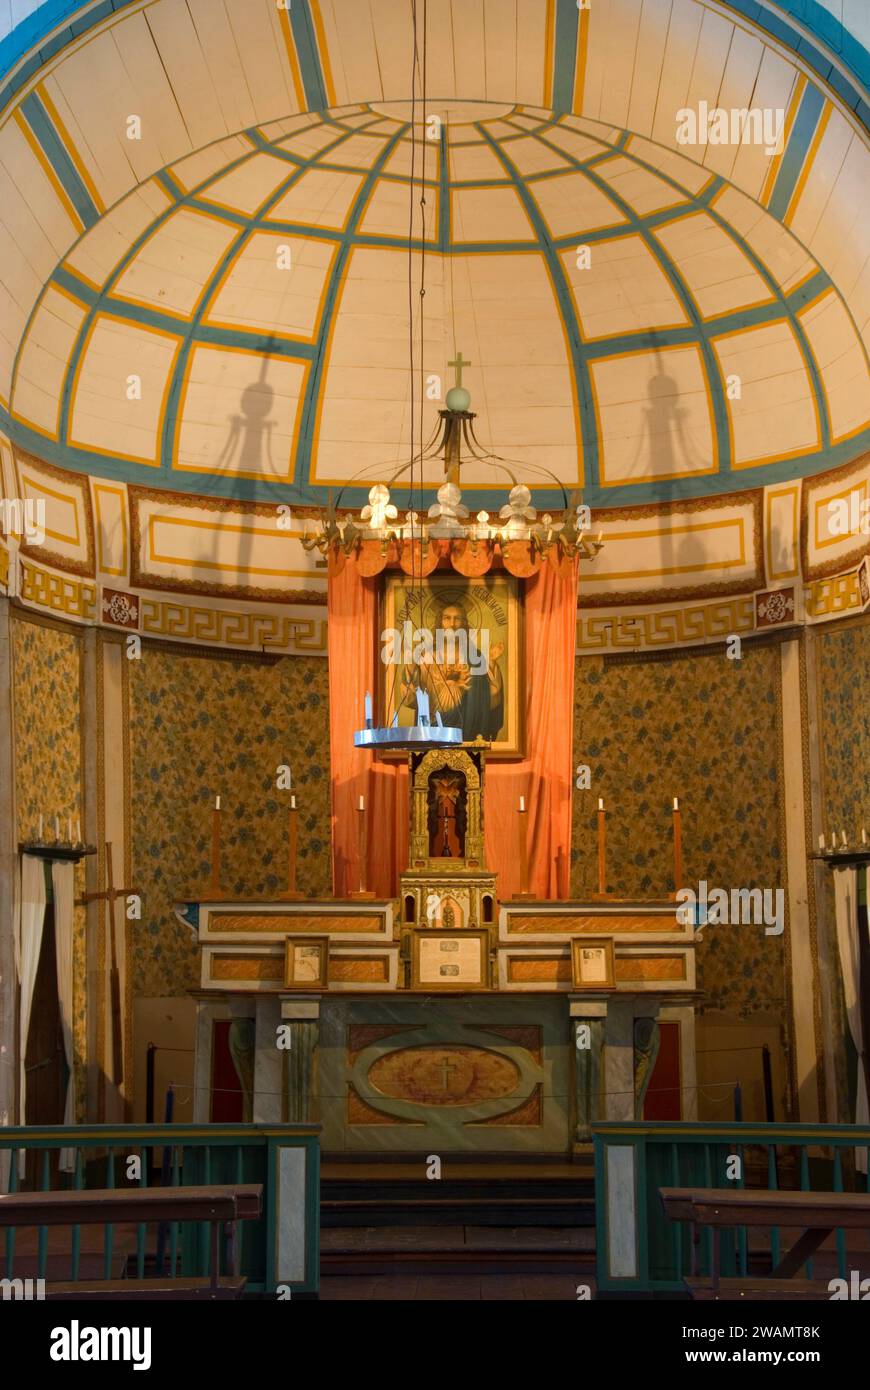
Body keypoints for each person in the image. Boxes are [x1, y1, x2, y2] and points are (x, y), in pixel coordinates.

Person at [401, 600, 504, 740]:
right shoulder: (427, 655)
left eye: (457, 619)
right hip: (433, 729)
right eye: (447, 618)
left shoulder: (475, 657)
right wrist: (411, 664)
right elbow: (412, 698)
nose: (452, 624)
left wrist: (491, 662)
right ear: (440, 623)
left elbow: (490, 697)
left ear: (464, 624)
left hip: (467, 728)